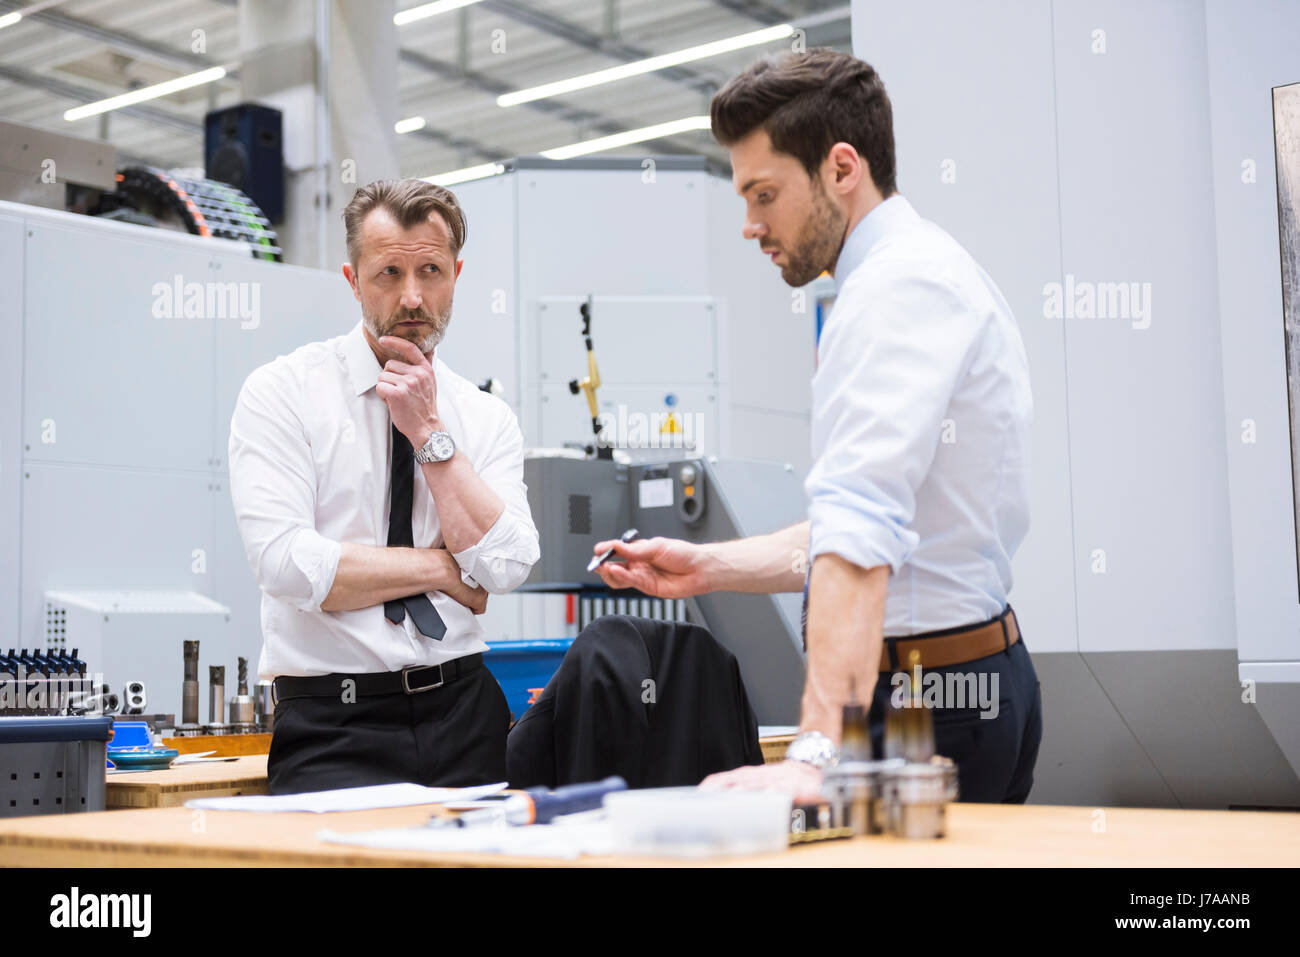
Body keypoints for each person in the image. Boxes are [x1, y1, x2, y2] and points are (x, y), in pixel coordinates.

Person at [594, 50, 1041, 804]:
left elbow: (860, 530)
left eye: (763, 193)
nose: (748, 225)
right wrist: (710, 566)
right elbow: (871, 523)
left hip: (924, 707)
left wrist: (815, 749)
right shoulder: (919, 271)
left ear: (841, 168)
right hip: (955, 687)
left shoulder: (894, 292)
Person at [228, 178, 540, 794]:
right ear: (352, 280)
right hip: (332, 723)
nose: (413, 296)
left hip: (465, 712)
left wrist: (428, 432)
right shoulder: (283, 393)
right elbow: (289, 566)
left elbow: (505, 564)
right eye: (388, 273)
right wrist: (444, 570)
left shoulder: (483, 416)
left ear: (456, 273)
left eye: (430, 270)